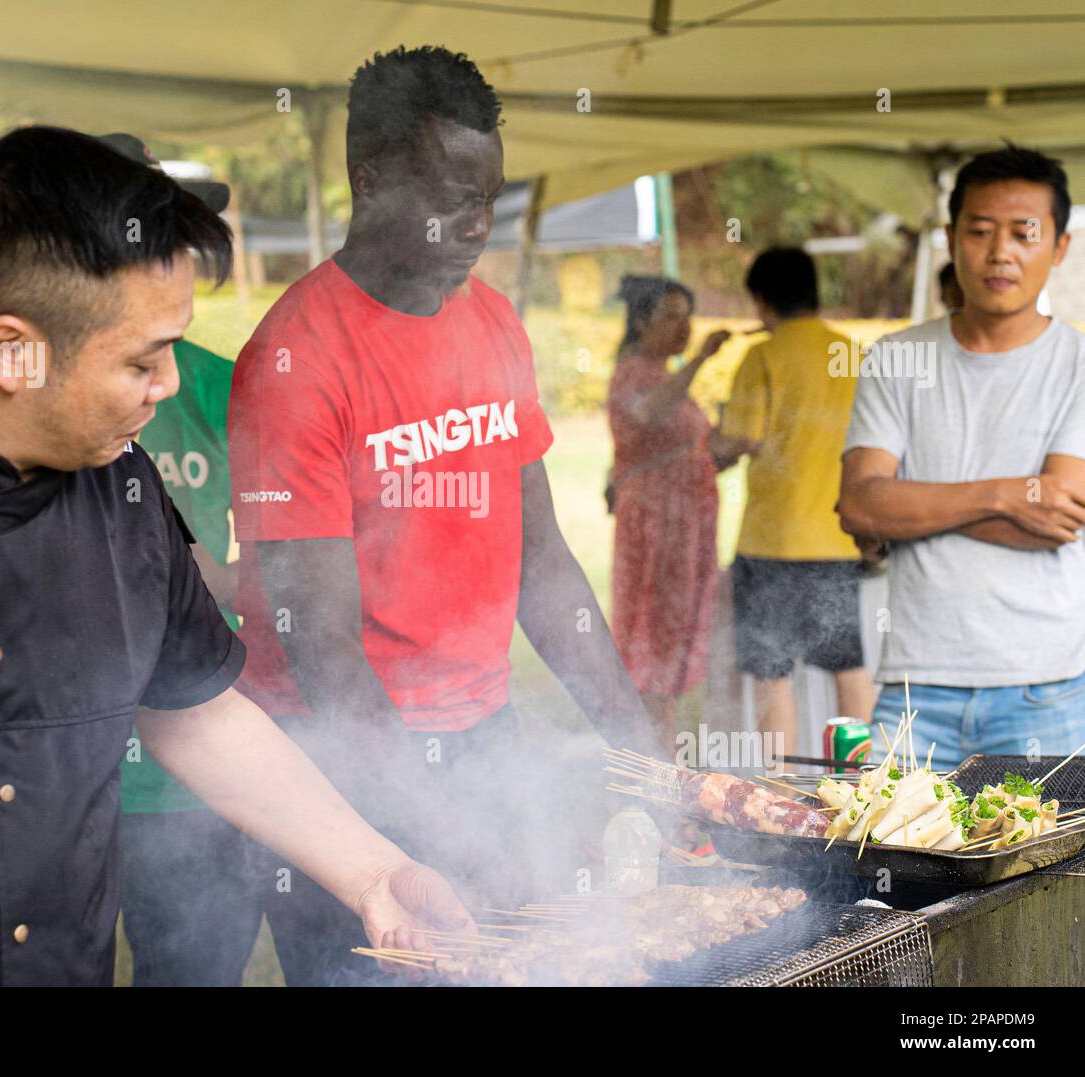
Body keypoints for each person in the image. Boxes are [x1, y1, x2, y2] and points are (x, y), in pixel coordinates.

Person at [0, 125, 470, 986]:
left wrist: (376, 873)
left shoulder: (124, 484)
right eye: (143, 361)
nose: (173, 385)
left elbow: (194, 710)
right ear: (5, 350)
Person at [227, 45, 655, 986]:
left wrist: (638, 750)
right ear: (368, 179)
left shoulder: (494, 321)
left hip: (481, 726)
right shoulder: (292, 362)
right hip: (336, 760)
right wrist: (448, 834)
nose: (475, 227)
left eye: (490, 200)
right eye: (452, 198)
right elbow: (322, 649)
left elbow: (543, 563)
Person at [840, 144, 1085, 770]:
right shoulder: (896, 359)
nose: (1001, 253)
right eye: (979, 231)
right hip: (915, 689)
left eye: (1025, 234)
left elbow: (1058, 521)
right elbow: (860, 503)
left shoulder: (1079, 365)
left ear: (1058, 246)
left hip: (1047, 689)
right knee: (888, 859)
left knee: (1047, 866)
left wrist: (908, 507)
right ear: (951, 239)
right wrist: (1008, 494)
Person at [93, 133, 263, 987]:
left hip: (193, 766)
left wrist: (205, 588)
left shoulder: (217, 386)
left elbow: (273, 559)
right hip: (73, 784)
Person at [719, 247, 875, 756]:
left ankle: (780, 799)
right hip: (839, 536)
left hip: (772, 542)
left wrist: (710, 444)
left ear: (762, 299)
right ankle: (860, 789)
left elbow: (739, 438)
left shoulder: (762, 356)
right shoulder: (852, 355)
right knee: (848, 667)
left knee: (772, 674)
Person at [606, 276, 755, 754]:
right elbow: (649, 414)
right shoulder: (635, 374)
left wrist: (750, 441)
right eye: (671, 316)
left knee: (676, 634)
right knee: (655, 634)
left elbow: (699, 450)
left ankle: (666, 754)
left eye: (687, 316)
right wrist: (701, 358)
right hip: (657, 530)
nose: (684, 326)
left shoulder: (666, 375)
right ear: (642, 322)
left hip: (685, 530)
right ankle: (654, 759)